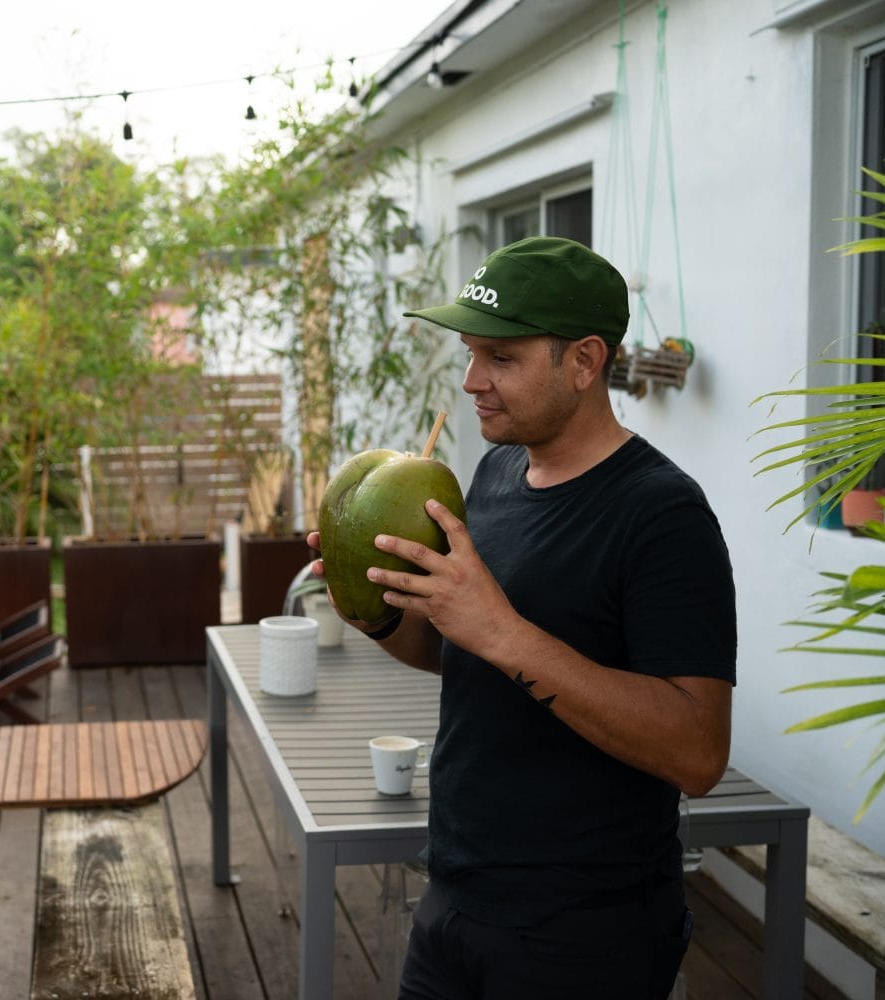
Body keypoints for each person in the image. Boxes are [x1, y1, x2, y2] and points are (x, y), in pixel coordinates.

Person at [309, 236, 735, 1000]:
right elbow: (464, 652)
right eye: (471, 354)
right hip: (456, 894)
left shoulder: (663, 516)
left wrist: (503, 629)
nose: (473, 381)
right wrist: (375, 613)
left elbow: (698, 751)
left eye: (500, 359)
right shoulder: (497, 471)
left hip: (583, 930)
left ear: (584, 361)